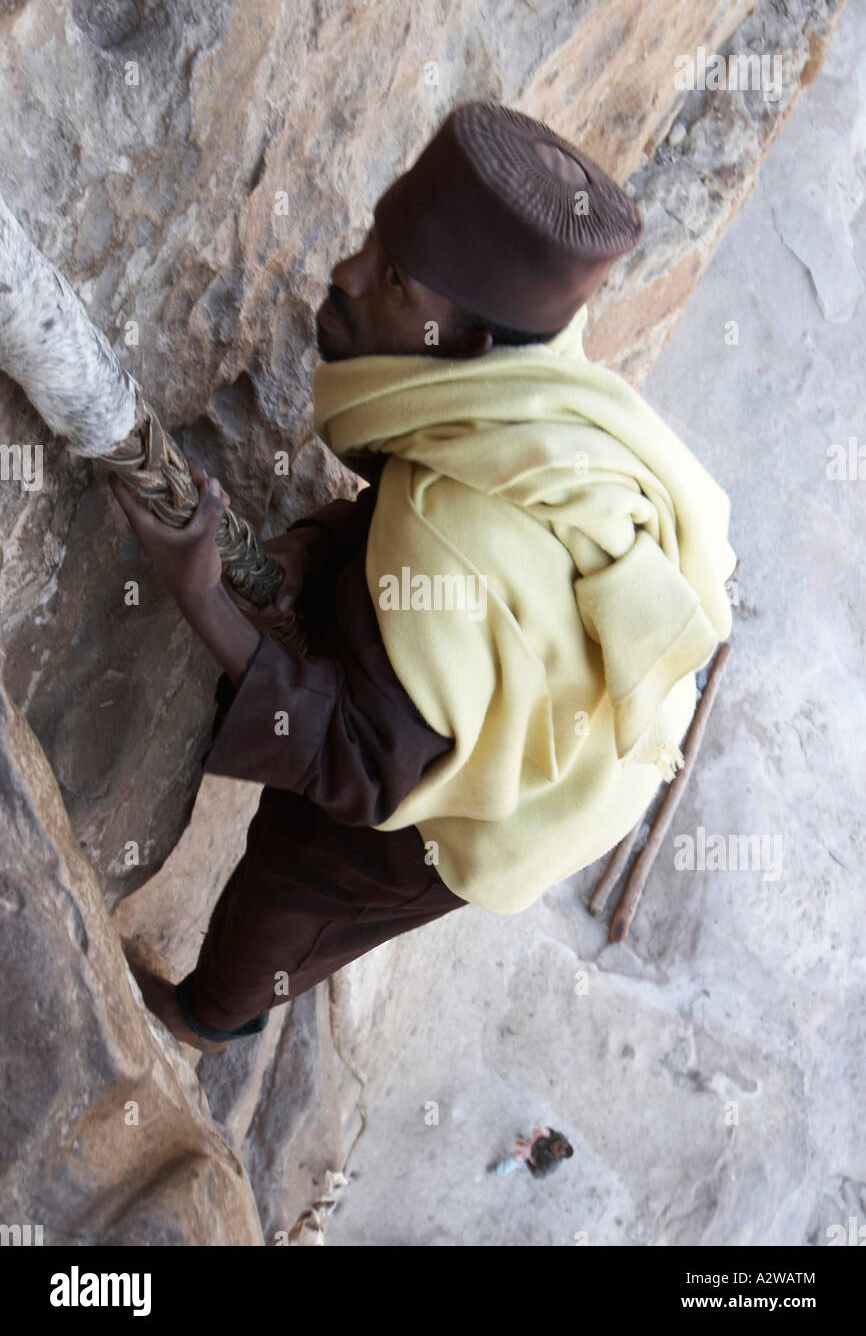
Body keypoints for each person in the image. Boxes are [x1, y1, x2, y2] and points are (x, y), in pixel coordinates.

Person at [110, 100, 736, 1052]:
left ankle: (208, 1019)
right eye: (374, 240)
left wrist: (202, 593)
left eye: (394, 279)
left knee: (297, 890)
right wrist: (312, 552)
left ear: (469, 343)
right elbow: (398, 517)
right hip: (484, 680)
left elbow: (366, 766)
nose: (348, 272)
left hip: (479, 801)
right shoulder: (522, 404)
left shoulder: (453, 538)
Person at [496, 1127, 574, 1179]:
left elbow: (538, 1174)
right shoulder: (560, 1137)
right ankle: (525, 1141)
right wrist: (545, 1131)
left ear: (559, 1156)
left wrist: (529, 1158)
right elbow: (550, 1131)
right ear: (563, 1141)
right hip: (536, 1143)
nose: (555, 1145)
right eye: (559, 1144)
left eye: (558, 1149)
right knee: (524, 1143)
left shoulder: (551, 1165)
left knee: (514, 1160)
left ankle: (502, 1170)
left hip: (532, 1157)